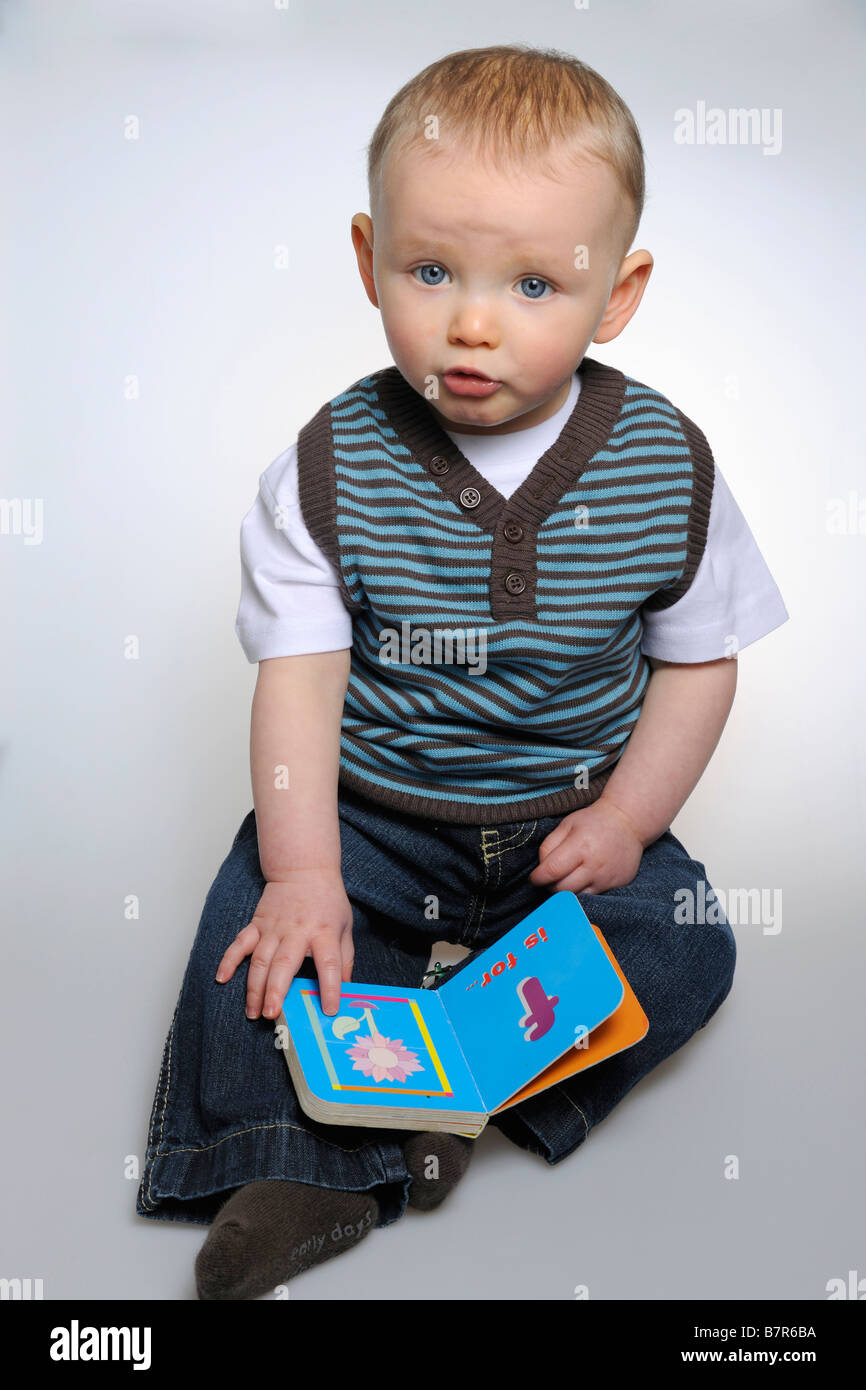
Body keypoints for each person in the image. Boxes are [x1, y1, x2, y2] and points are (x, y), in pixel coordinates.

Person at [137, 44, 788, 1301]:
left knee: (687, 944)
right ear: (367, 257)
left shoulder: (664, 466)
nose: (472, 321)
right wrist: (305, 871)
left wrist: (625, 819)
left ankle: (450, 1112)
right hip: (375, 824)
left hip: (565, 835)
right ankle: (290, 1170)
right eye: (430, 271)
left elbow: (698, 664)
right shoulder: (328, 467)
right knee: (251, 946)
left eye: (534, 282)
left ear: (617, 291)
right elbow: (299, 679)